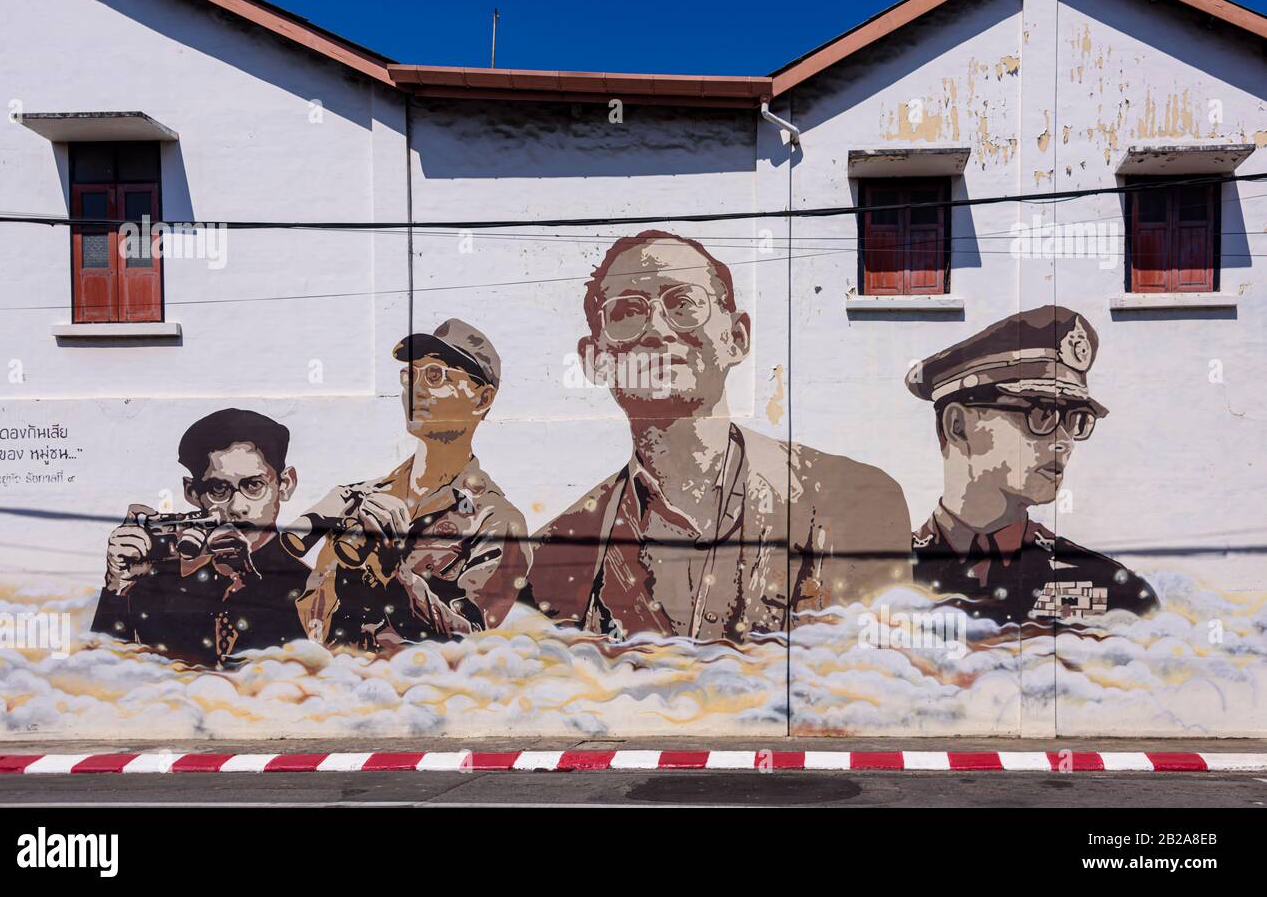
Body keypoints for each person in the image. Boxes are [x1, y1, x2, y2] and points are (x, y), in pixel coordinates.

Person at [526, 230, 912, 643]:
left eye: (684, 303)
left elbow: (864, 686)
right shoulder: (554, 552)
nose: (657, 330)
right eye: (626, 313)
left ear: (737, 337)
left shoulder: (851, 499)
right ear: (596, 360)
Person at [906, 305, 1158, 625]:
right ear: (958, 425)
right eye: (1041, 414)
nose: (1065, 442)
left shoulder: (1111, 590)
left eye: (1075, 420)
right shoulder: (883, 574)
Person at [289, 319, 530, 651]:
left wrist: (397, 571)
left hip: (424, 696)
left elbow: (476, 641)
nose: (415, 389)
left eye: (434, 375)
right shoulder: (364, 500)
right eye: (409, 376)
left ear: (482, 398)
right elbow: (311, 623)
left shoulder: (495, 520)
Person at [91, 408, 309, 665]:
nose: (237, 506)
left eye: (253, 485)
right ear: (192, 493)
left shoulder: (313, 586)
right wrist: (118, 588)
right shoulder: (155, 583)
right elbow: (101, 675)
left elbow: (310, 669)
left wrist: (248, 583)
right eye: (219, 489)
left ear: (285, 484)